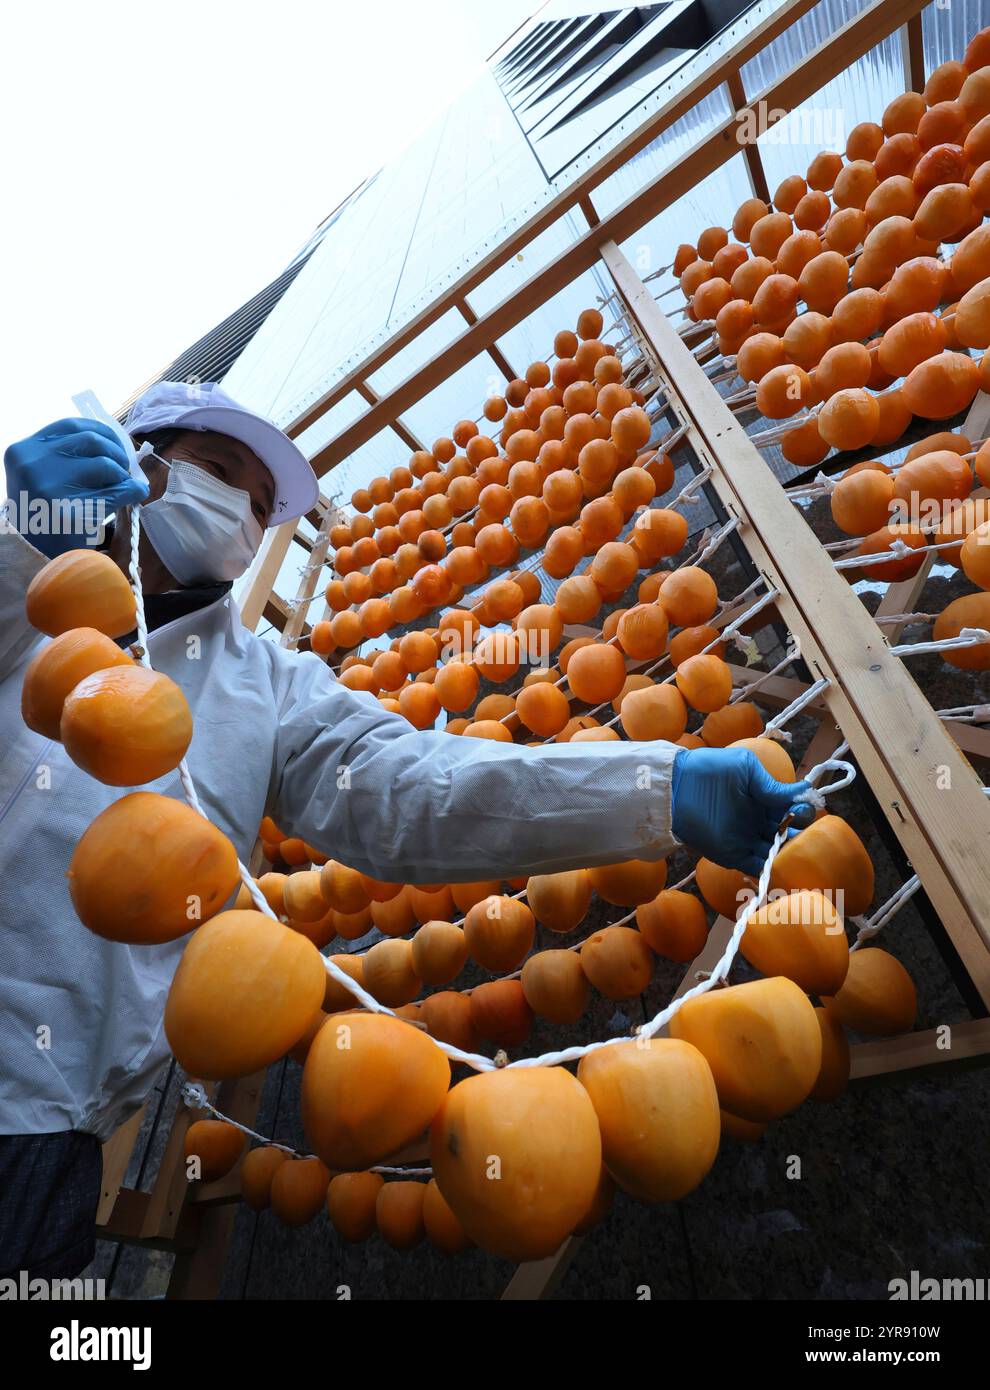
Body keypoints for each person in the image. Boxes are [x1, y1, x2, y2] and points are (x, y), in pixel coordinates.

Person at [0, 380, 811, 1278]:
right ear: (141, 460)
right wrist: (19, 542)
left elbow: (413, 788)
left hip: (36, 1121)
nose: (238, 510)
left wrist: (657, 789)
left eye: (260, 507)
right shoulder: (31, 587)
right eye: (217, 470)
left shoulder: (263, 686)